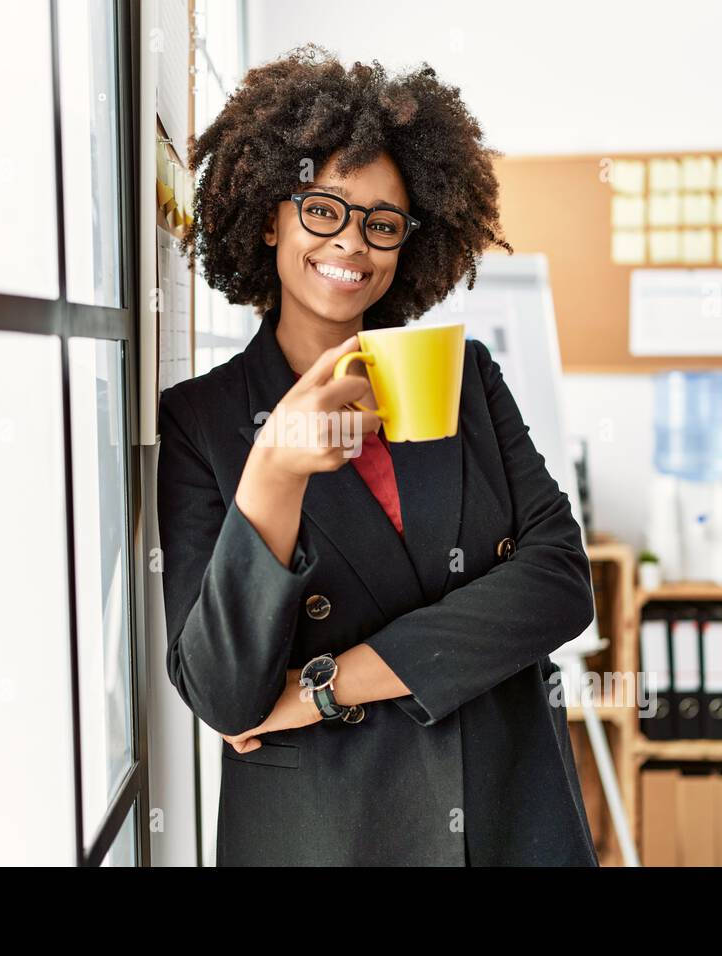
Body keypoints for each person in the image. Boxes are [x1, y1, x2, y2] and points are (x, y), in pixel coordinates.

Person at [157, 43, 598, 866]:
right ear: (268, 214)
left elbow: (559, 586)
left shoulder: (464, 379)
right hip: (331, 834)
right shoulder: (202, 421)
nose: (351, 244)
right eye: (323, 208)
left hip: (508, 810)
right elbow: (224, 695)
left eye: (382, 223)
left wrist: (322, 688)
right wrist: (275, 471)